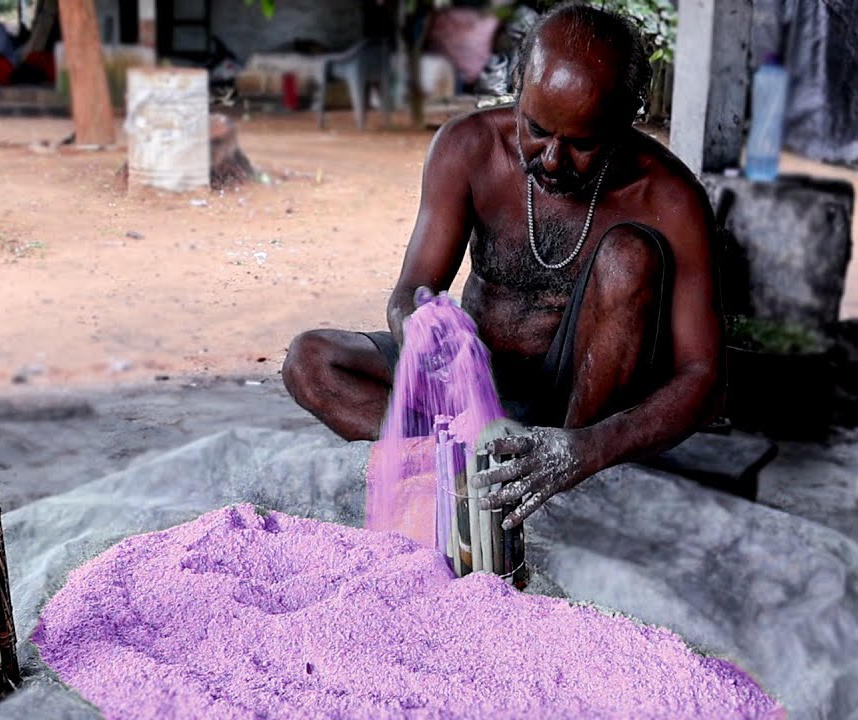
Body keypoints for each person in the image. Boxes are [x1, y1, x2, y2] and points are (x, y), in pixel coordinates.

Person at [283, 2, 723, 530]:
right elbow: (412, 289)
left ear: (628, 117)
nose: (553, 159)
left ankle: (552, 473)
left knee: (630, 255)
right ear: (518, 87)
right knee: (311, 361)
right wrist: (424, 329)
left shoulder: (671, 200)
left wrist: (586, 447)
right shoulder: (467, 147)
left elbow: (704, 376)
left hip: (578, 411)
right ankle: (462, 465)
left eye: (582, 143)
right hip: (473, 383)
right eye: (536, 129)